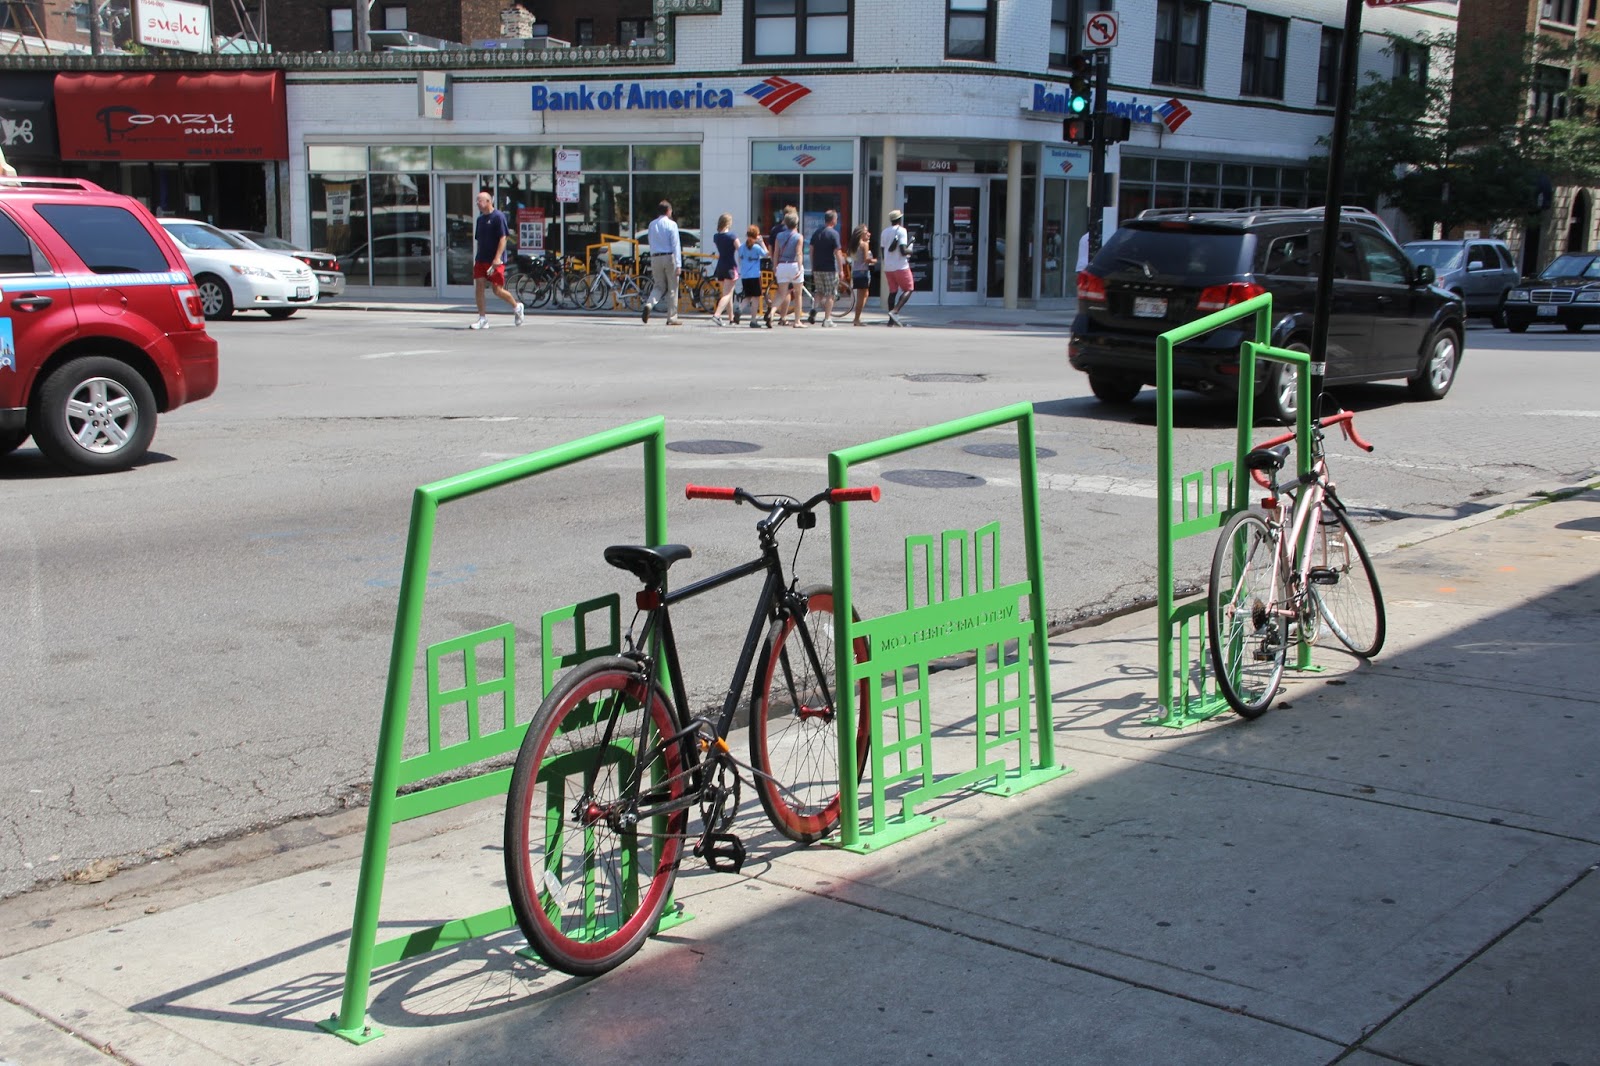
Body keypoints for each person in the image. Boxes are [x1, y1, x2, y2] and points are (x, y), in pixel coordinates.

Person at [470, 190, 522, 330]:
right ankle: (482, 319)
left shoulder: (498, 217)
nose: (477, 204)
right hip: (481, 258)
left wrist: (497, 257)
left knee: (497, 290)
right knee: (479, 287)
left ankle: (516, 307)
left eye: (480, 201)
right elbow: (479, 240)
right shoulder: (480, 220)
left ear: (488, 201)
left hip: (495, 260)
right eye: (477, 201)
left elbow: (503, 238)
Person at [642, 199, 682, 326]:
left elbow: (651, 241)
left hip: (655, 257)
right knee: (672, 288)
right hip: (668, 256)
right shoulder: (672, 225)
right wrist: (678, 263)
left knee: (658, 285)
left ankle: (649, 304)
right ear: (668, 211)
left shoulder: (652, 225)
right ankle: (672, 317)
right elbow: (676, 245)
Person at [808, 209, 844, 327]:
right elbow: (838, 253)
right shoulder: (834, 234)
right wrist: (841, 269)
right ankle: (827, 319)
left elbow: (811, 249)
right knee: (830, 294)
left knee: (819, 291)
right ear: (833, 220)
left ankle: (814, 309)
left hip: (817, 267)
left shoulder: (817, 232)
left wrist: (813, 266)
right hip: (829, 268)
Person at [880, 208, 914, 326]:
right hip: (901, 265)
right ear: (900, 219)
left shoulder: (884, 232)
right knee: (909, 289)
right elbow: (903, 250)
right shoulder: (902, 231)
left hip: (888, 267)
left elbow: (882, 250)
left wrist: (887, 262)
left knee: (893, 291)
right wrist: (912, 251)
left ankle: (891, 321)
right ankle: (895, 311)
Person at [771, 212, 806, 328]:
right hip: (793, 264)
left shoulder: (779, 236)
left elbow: (776, 252)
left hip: (781, 265)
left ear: (785, 222)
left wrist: (775, 266)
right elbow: (799, 253)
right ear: (797, 223)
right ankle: (797, 321)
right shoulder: (798, 237)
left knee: (781, 294)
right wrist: (800, 268)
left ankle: (771, 313)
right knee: (798, 294)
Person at [735, 225, 770, 328]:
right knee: (755, 297)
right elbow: (766, 254)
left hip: (745, 275)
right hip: (755, 275)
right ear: (756, 236)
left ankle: (740, 308)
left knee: (748, 295)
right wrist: (762, 242)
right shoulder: (756, 247)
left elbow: (739, 259)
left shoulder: (741, 247)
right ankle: (753, 320)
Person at [710, 213, 739, 326]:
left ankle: (731, 319)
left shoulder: (716, 237)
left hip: (720, 266)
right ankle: (717, 315)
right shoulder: (732, 236)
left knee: (728, 293)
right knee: (727, 294)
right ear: (728, 223)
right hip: (730, 266)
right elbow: (740, 249)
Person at [847, 224, 876, 326]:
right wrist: (876, 260)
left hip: (855, 271)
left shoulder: (854, 245)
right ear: (861, 234)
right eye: (866, 232)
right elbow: (866, 259)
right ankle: (857, 318)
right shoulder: (864, 244)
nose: (869, 234)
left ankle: (857, 318)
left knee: (863, 294)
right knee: (862, 296)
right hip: (863, 271)